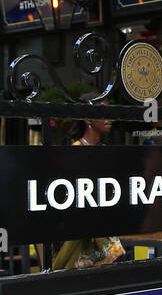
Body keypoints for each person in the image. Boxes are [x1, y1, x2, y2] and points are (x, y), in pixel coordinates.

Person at [52, 110, 126, 271]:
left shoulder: (106, 151)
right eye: (102, 113)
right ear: (88, 119)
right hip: (80, 227)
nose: (109, 118)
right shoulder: (75, 151)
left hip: (105, 220)